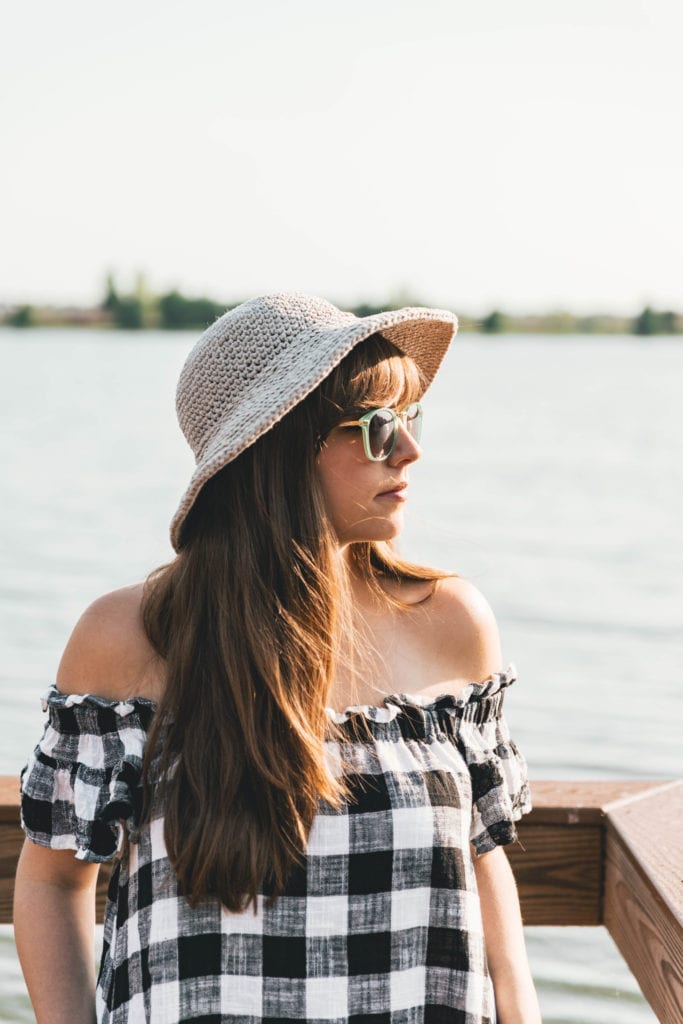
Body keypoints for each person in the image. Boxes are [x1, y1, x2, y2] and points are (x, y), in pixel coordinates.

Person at [14, 292, 541, 1023]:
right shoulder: (128, 636)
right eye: (376, 428)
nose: (409, 450)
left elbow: (483, 862)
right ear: (279, 450)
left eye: (409, 419)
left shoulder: (449, 622)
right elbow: (52, 882)